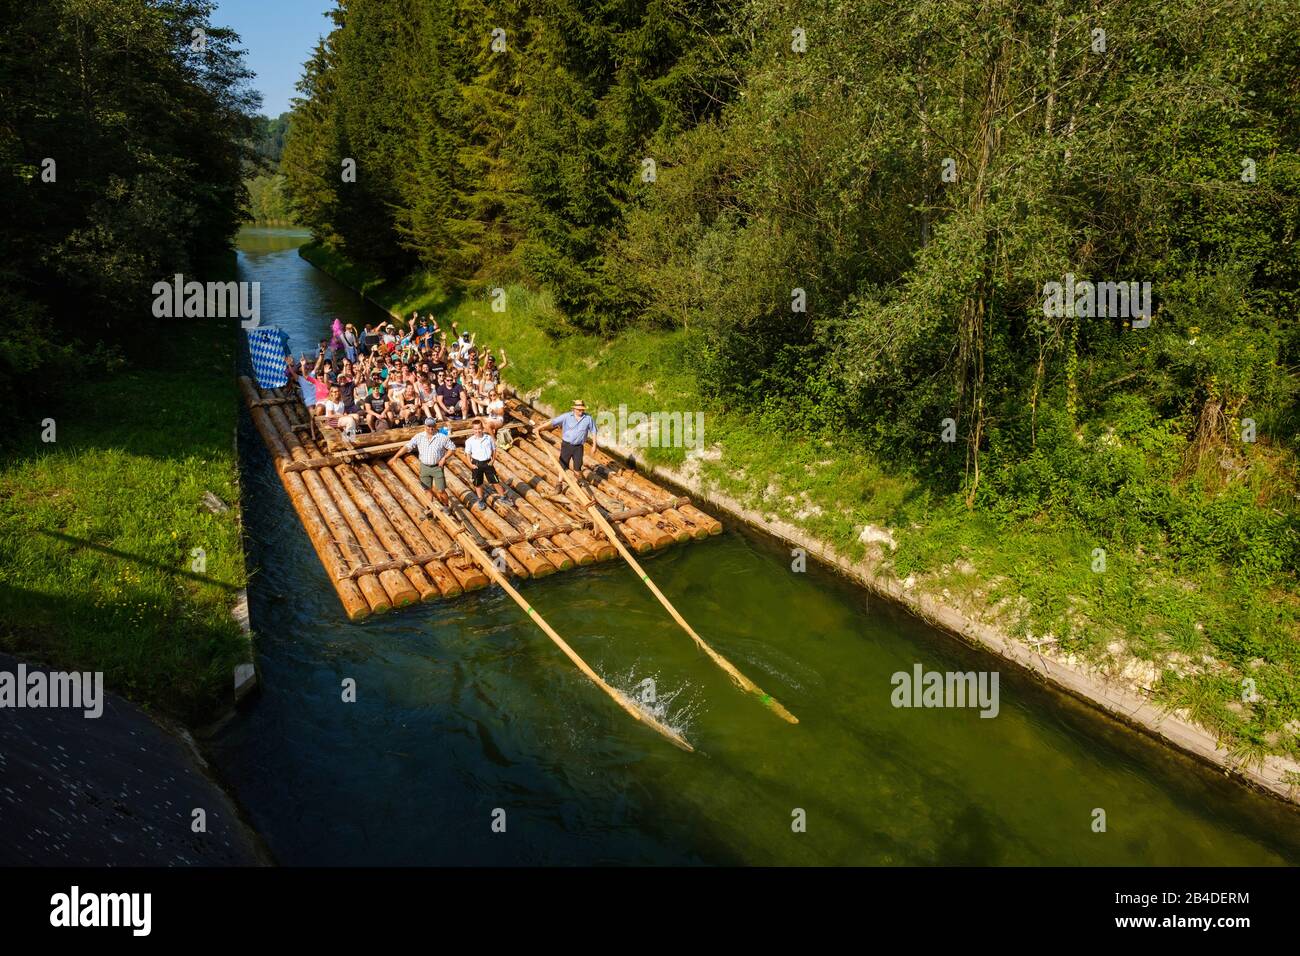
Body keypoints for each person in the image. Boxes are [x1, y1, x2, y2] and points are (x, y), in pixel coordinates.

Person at [390, 418, 457, 513]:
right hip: (424, 467)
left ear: (435, 426)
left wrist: (444, 458)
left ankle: (446, 506)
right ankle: (429, 508)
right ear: (425, 426)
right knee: (427, 489)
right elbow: (407, 446)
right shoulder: (419, 436)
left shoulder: (442, 437)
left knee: (441, 490)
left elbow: (452, 448)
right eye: (429, 426)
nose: (431, 428)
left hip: (437, 467)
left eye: (433, 426)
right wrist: (395, 457)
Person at [541, 399, 598, 493]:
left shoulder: (588, 418)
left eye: (582, 410)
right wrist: (540, 428)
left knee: (578, 466)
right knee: (563, 464)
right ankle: (559, 484)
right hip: (567, 445)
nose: (581, 411)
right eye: (579, 410)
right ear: (574, 409)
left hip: (579, 447)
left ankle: (579, 480)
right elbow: (553, 422)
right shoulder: (567, 416)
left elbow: (594, 430)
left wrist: (594, 445)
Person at [464, 418, 507, 510]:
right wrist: (470, 464)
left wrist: (493, 460)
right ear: (473, 429)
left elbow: (494, 450)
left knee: (495, 481)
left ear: (482, 428)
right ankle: (481, 500)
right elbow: (468, 454)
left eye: (479, 429)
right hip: (476, 463)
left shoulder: (488, 438)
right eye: (475, 429)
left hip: (487, 463)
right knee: (478, 483)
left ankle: (503, 497)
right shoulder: (469, 441)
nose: (477, 431)